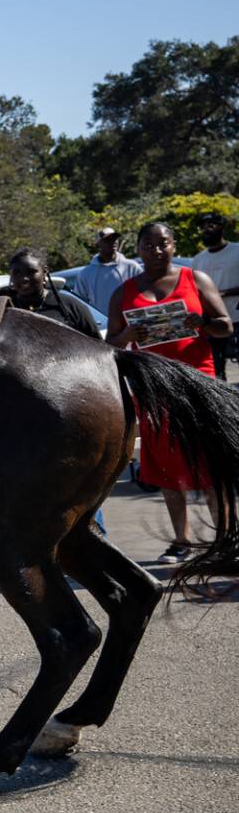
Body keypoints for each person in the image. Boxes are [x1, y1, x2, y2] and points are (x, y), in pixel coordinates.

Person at [107, 221, 234, 564]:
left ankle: (225, 539)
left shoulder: (196, 279)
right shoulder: (123, 292)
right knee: (168, 468)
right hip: (154, 389)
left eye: (163, 243)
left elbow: (225, 326)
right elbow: (111, 344)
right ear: (138, 249)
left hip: (198, 385)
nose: (156, 250)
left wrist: (202, 323)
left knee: (210, 465)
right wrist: (127, 335)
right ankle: (182, 541)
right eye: (148, 244)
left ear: (174, 245)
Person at [186, 213, 239, 380]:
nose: (206, 230)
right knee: (216, 371)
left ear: (222, 228)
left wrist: (222, 293)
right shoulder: (198, 259)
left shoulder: (236, 251)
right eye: (203, 227)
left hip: (237, 318)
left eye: (211, 226)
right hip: (211, 323)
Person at [6, 248, 100, 338]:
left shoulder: (70, 306)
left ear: (45, 272)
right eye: (17, 273)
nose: (24, 278)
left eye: (31, 272)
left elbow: (98, 346)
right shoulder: (5, 310)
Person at [66, 227, 143, 316]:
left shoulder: (132, 267)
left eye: (115, 239)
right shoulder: (85, 274)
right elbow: (79, 304)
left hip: (128, 321)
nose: (113, 242)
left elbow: (146, 294)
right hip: (101, 323)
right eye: (108, 239)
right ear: (98, 244)